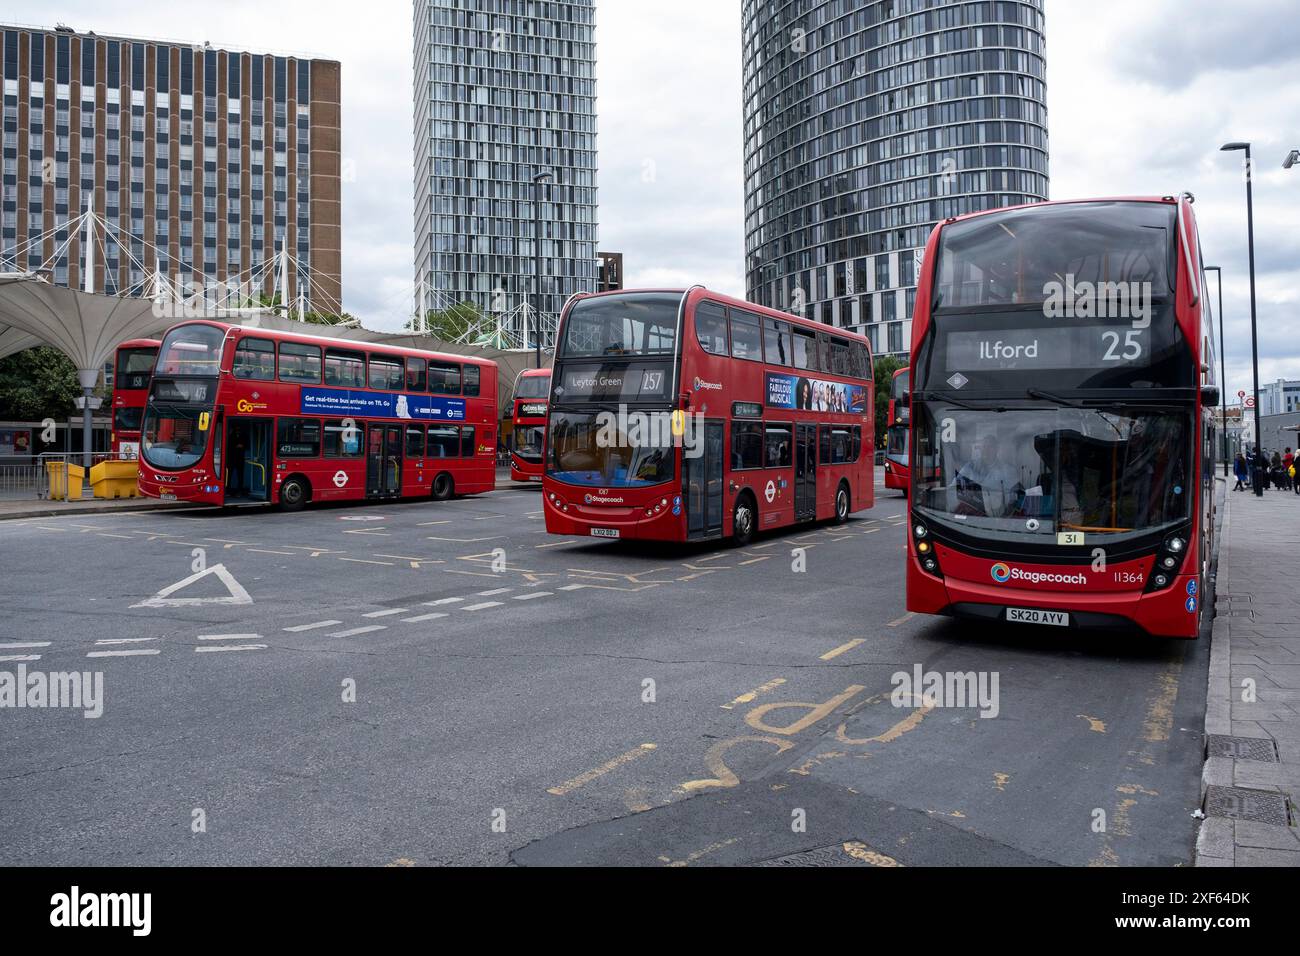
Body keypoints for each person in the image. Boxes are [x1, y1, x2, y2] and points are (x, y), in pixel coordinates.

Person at [955, 433, 1020, 517]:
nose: (986, 450)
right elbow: (954, 486)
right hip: (972, 515)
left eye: (990, 447)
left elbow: (1013, 498)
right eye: (984, 446)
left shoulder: (1008, 470)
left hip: (997, 516)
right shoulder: (970, 466)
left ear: (997, 449)